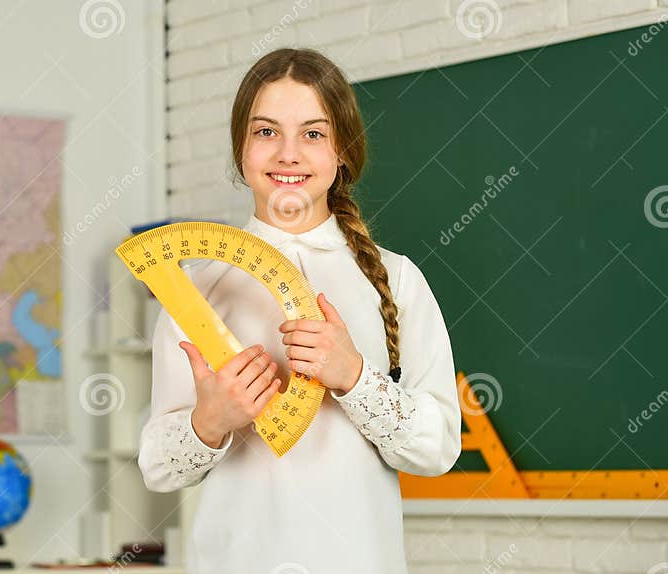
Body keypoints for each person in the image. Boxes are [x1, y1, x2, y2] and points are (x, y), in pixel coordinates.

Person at [137, 47, 462, 574]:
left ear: (342, 152)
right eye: (266, 132)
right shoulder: (194, 288)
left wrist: (355, 378)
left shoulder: (396, 279)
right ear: (241, 148)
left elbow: (438, 449)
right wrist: (209, 422)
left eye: (313, 133)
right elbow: (157, 467)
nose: (288, 154)